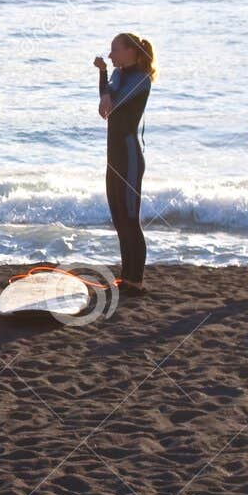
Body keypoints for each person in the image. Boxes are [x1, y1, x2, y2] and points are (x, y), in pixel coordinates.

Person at [93, 33, 155, 297]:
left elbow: (114, 102)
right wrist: (103, 75)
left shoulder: (141, 79)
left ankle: (136, 280)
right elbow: (106, 104)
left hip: (129, 158)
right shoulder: (118, 75)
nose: (110, 55)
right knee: (119, 218)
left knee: (130, 218)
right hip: (113, 157)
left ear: (131, 51)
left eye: (114, 50)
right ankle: (126, 277)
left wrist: (106, 89)